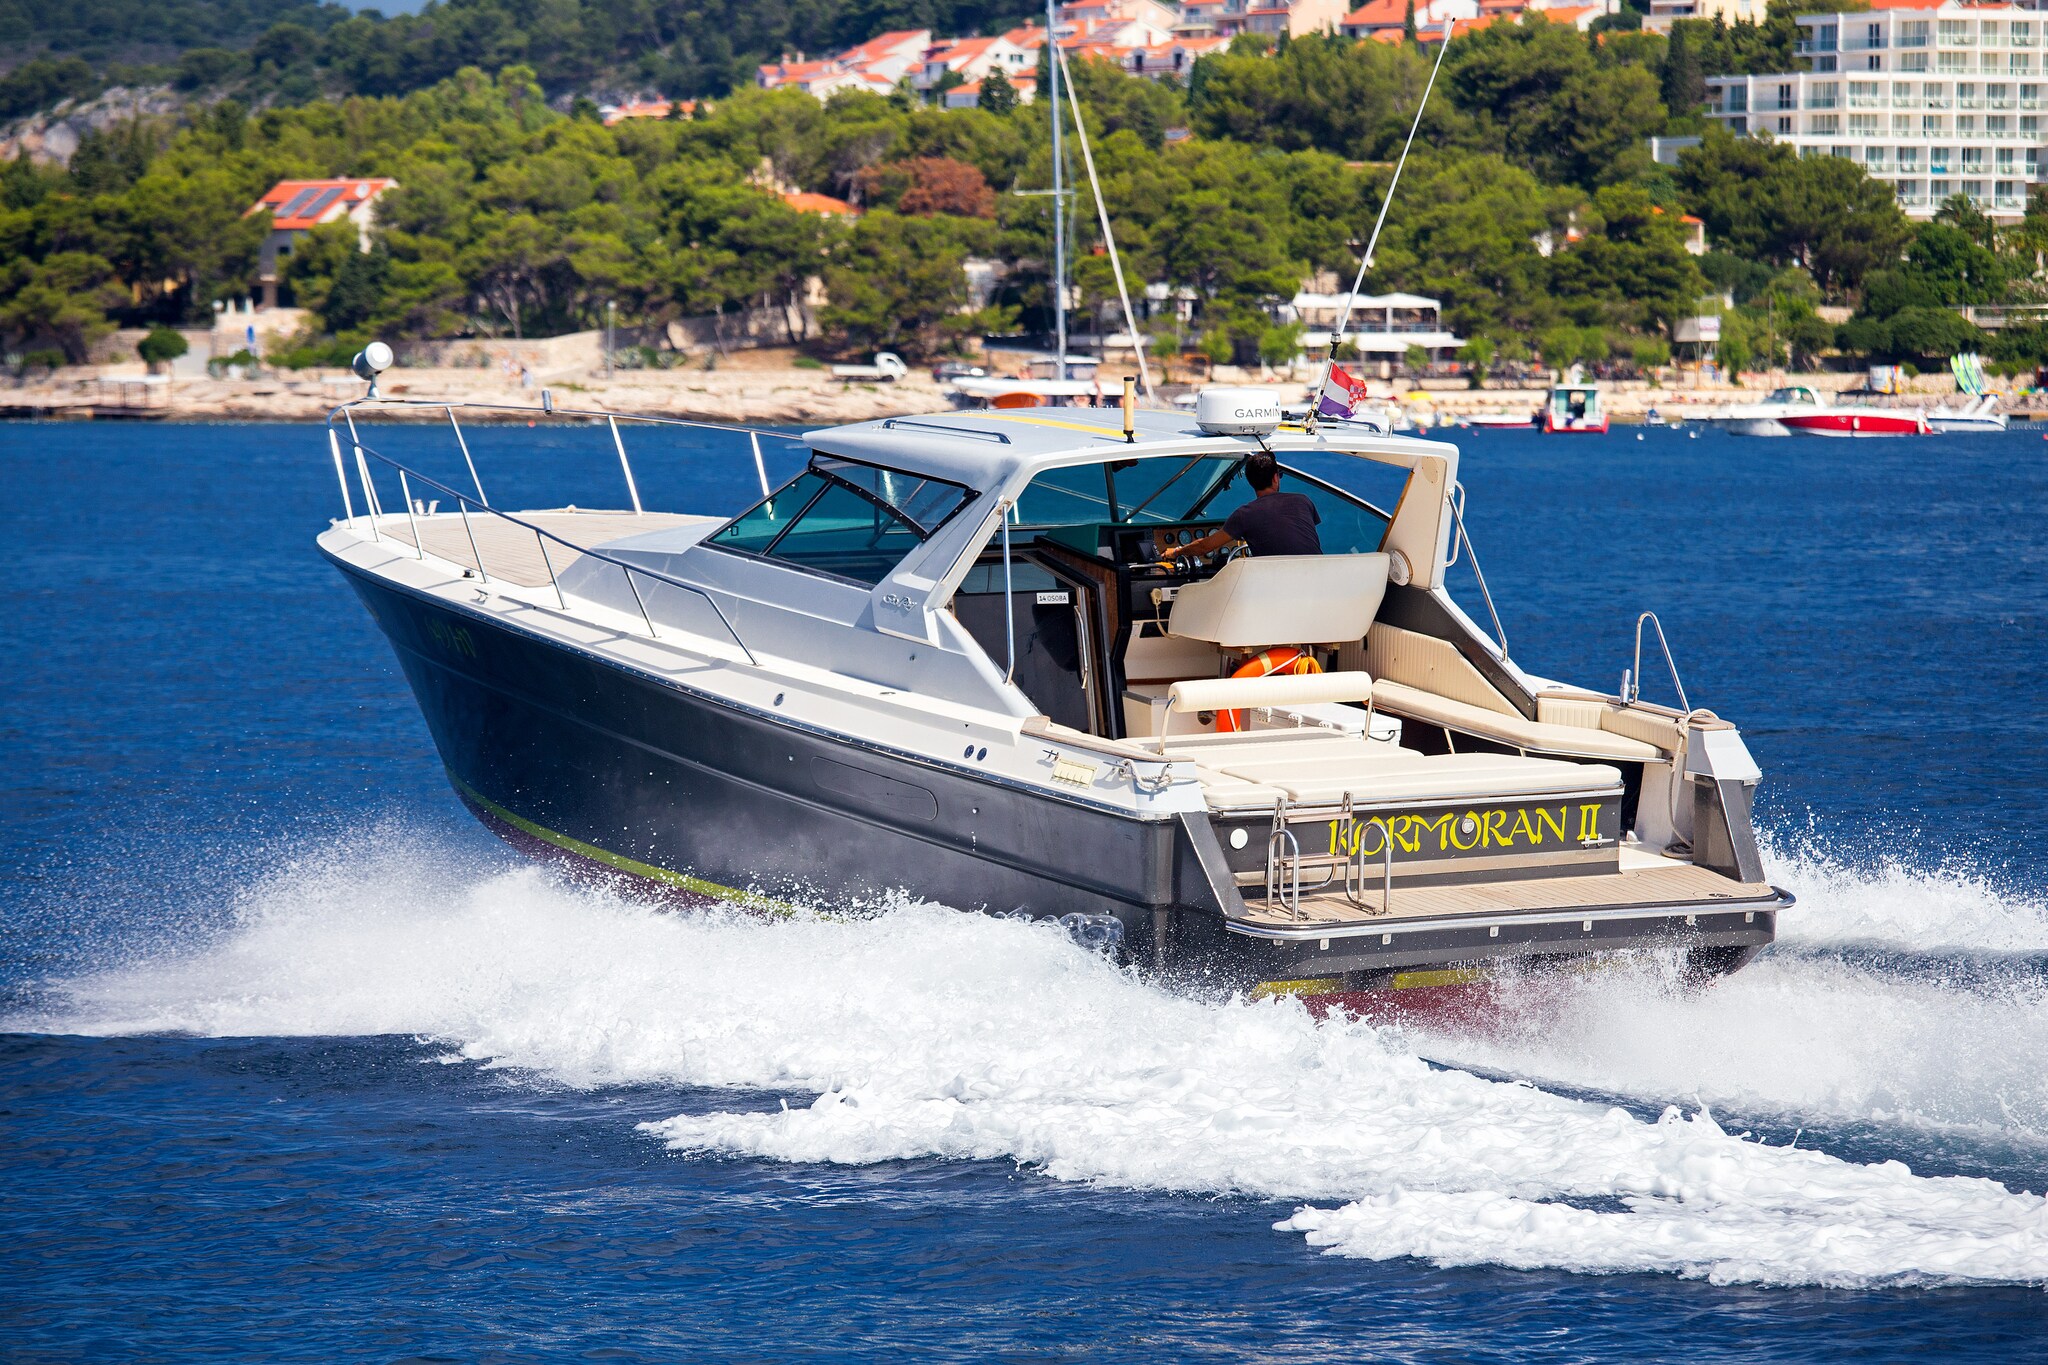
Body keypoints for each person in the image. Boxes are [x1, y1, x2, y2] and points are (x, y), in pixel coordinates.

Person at [1159, 452, 1321, 562]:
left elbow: (1204, 547)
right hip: (1319, 577)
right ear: (1275, 478)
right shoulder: (1303, 501)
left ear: (1250, 481)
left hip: (1278, 584)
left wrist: (1176, 552)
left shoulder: (1245, 515)